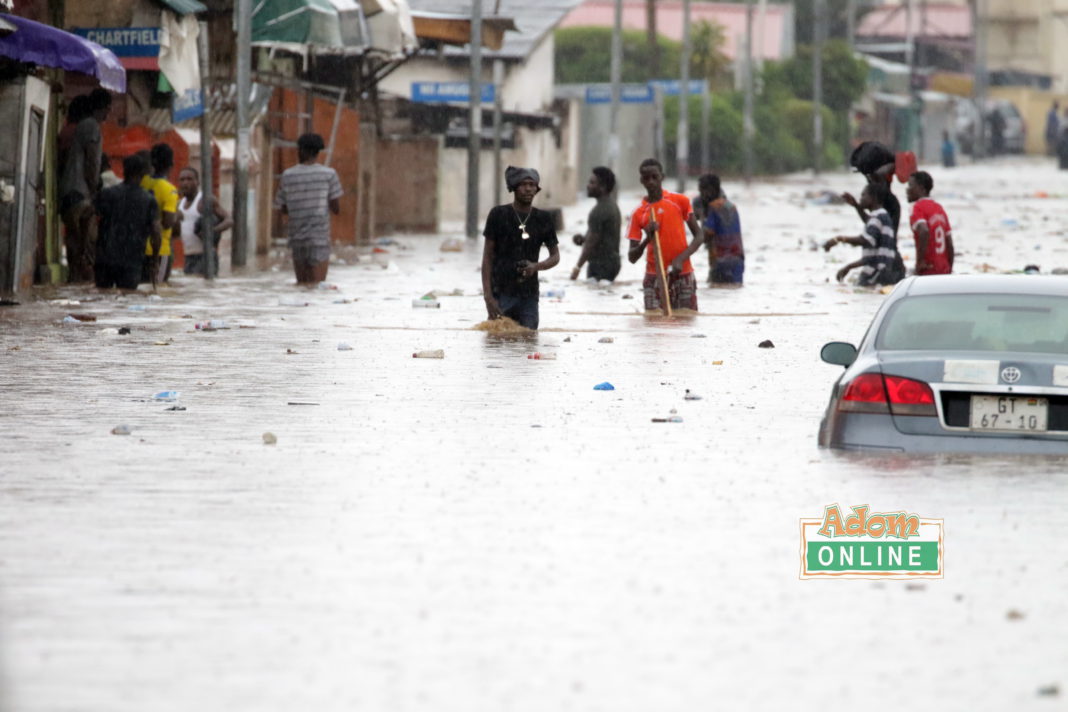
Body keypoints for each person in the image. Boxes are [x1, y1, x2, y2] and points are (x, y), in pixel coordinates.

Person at [481, 166, 560, 330]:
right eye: (523, 184)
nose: (528, 189)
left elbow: (555, 256)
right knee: (498, 341)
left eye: (532, 185)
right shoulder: (498, 214)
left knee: (528, 340)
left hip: (529, 296)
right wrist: (488, 298)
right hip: (501, 293)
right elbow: (487, 258)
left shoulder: (543, 219)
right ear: (514, 187)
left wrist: (535, 267)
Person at [626, 158, 704, 312]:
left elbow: (699, 236)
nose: (651, 182)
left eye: (655, 177)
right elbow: (631, 257)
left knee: (685, 319)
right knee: (653, 322)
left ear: (663, 177)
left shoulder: (680, 201)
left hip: (683, 273)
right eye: (647, 178)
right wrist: (647, 238)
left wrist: (680, 259)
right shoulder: (638, 213)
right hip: (654, 276)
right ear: (641, 180)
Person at [274, 133, 342, 285]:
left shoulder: (288, 175)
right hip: (319, 238)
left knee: (302, 285)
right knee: (317, 287)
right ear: (318, 152)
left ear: (302, 150)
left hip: (297, 238)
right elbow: (336, 208)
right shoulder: (329, 174)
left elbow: (284, 209)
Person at [59, 88, 111, 282]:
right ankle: (79, 280)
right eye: (108, 109)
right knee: (86, 242)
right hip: (81, 192)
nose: (108, 114)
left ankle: (74, 280)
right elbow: (92, 162)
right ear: (105, 108)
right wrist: (93, 188)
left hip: (68, 192)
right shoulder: (91, 126)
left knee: (73, 239)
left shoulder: (79, 125)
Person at [94, 155, 160, 290]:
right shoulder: (148, 200)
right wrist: (154, 260)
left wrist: (88, 251)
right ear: (143, 173)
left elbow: (90, 219)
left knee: (101, 296)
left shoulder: (107, 194)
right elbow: (156, 233)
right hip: (132, 260)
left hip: (104, 258)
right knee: (128, 297)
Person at [823, 181, 903, 287]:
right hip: (884, 271)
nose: (861, 198)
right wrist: (856, 205)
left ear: (873, 197)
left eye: (863, 195)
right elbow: (869, 223)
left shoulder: (878, 217)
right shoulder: (881, 216)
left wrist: (839, 239)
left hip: (879, 273)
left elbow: (866, 240)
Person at [176, 166, 233, 278]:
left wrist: (212, 231)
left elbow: (229, 220)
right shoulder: (179, 204)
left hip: (205, 256)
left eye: (189, 179)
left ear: (197, 182)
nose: (185, 183)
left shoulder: (205, 200)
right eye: (182, 180)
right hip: (188, 256)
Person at [570, 166, 621, 283]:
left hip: (600, 266)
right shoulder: (611, 205)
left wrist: (577, 268)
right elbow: (600, 238)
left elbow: (591, 243)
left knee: (595, 294)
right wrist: (583, 239)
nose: (588, 185)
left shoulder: (599, 211)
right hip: (611, 264)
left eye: (592, 183)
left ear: (602, 187)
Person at [140, 143, 180, 285]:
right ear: (172, 164)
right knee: (157, 289)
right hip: (160, 251)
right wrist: (177, 216)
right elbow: (168, 223)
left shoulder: (142, 183)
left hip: (138, 248)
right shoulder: (170, 190)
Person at [905, 170, 954, 276]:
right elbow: (949, 242)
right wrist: (949, 268)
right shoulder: (939, 208)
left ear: (921, 188)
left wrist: (920, 262)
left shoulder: (917, 207)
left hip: (928, 268)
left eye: (910, 186)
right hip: (944, 268)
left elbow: (924, 231)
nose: (907, 190)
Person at [699, 174, 744, 287]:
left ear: (710, 190)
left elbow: (707, 234)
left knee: (716, 289)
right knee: (735, 289)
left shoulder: (713, 207)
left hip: (720, 260)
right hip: (738, 259)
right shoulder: (732, 206)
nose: (701, 195)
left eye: (702, 191)